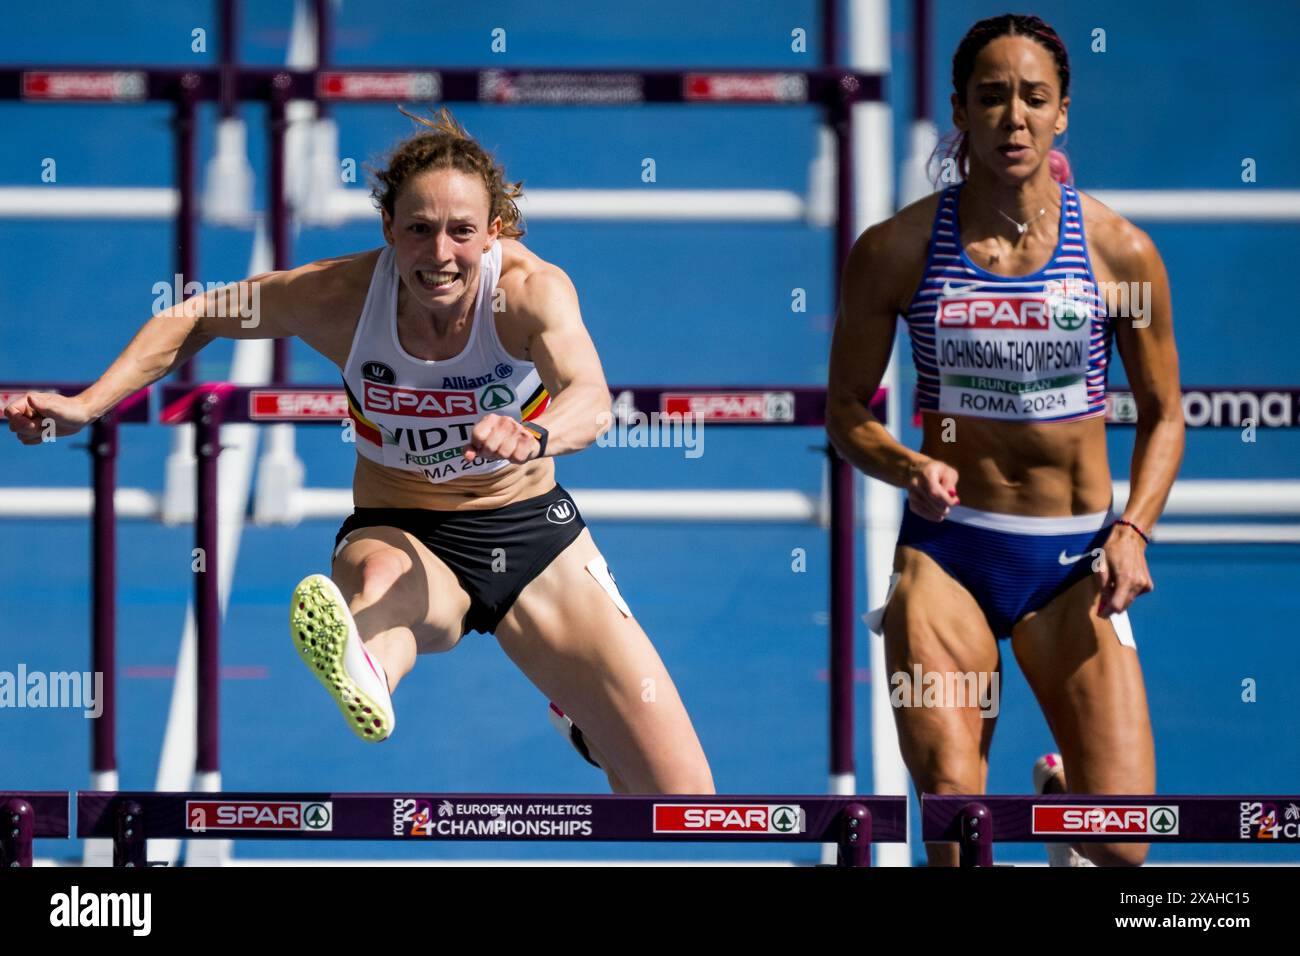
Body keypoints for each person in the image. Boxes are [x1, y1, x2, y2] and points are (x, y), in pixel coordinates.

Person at [6, 108, 714, 797]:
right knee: (382, 587)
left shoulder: (530, 293)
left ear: (493, 230)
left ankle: (584, 724)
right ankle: (367, 664)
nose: (440, 254)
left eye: (461, 231)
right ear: (388, 229)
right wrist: (87, 405)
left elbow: (591, 397)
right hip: (402, 527)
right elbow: (195, 315)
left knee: (682, 799)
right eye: (419, 230)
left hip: (531, 535)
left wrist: (536, 433)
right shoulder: (341, 296)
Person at [827, 14, 1183, 865]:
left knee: (1125, 849)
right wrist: (907, 465)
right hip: (949, 556)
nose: (1013, 118)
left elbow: (1165, 413)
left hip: (1073, 565)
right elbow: (845, 410)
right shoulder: (897, 250)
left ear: (1062, 112)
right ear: (960, 109)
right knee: (956, 819)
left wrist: (1134, 530)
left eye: (1033, 98)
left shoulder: (1121, 254)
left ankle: (1059, 804)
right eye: (991, 98)